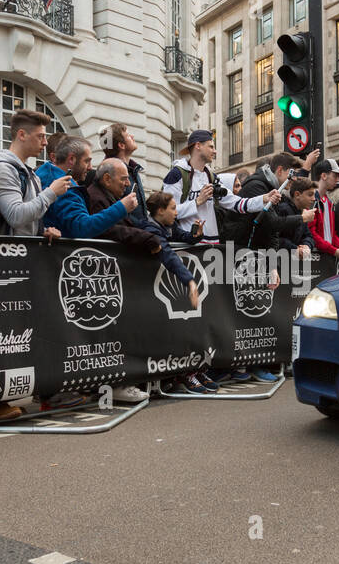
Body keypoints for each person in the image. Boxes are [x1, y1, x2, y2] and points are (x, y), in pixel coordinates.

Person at [141, 191, 211, 394]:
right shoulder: (149, 228)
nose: (176, 212)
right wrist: (190, 281)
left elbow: (185, 237)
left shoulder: (167, 225)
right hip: (150, 290)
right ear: (160, 211)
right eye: (173, 208)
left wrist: (196, 234)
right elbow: (169, 256)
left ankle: (187, 371)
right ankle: (171, 377)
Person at [162, 129, 277, 241]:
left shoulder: (212, 177)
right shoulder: (177, 174)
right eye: (211, 146)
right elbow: (167, 213)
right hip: (187, 246)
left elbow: (237, 204)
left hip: (211, 246)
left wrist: (264, 199)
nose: (215, 151)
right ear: (198, 146)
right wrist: (197, 201)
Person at [0, 109, 66, 237]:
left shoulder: (31, 174)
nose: (45, 142)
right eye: (40, 136)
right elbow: (15, 216)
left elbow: (24, 223)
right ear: (22, 135)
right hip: (3, 254)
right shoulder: (2, 169)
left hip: (22, 253)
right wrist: (51, 192)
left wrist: (42, 231)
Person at [36, 135, 135, 238]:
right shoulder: (66, 188)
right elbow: (81, 227)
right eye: (87, 161)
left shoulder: (44, 174)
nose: (90, 167)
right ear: (71, 159)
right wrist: (121, 207)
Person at [87, 158, 156, 250]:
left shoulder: (109, 196)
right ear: (107, 179)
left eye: (128, 179)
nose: (128, 184)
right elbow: (107, 230)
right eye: (124, 179)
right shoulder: (95, 198)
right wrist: (145, 237)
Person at [101, 123, 150, 226]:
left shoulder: (133, 170)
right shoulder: (111, 174)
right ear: (121, 145)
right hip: (130, 234)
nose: (133, 137)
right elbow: (114, 208)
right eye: (128, 135)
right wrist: (145, 228)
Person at [310, 159, 339, 259]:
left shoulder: (329, 202)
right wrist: (334, 250)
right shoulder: (311, 200)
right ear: (324, 176)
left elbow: (332, 234)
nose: (338, 180)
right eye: (335, 176)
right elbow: (311, 234)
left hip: (326, 256)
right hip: (315, 258)